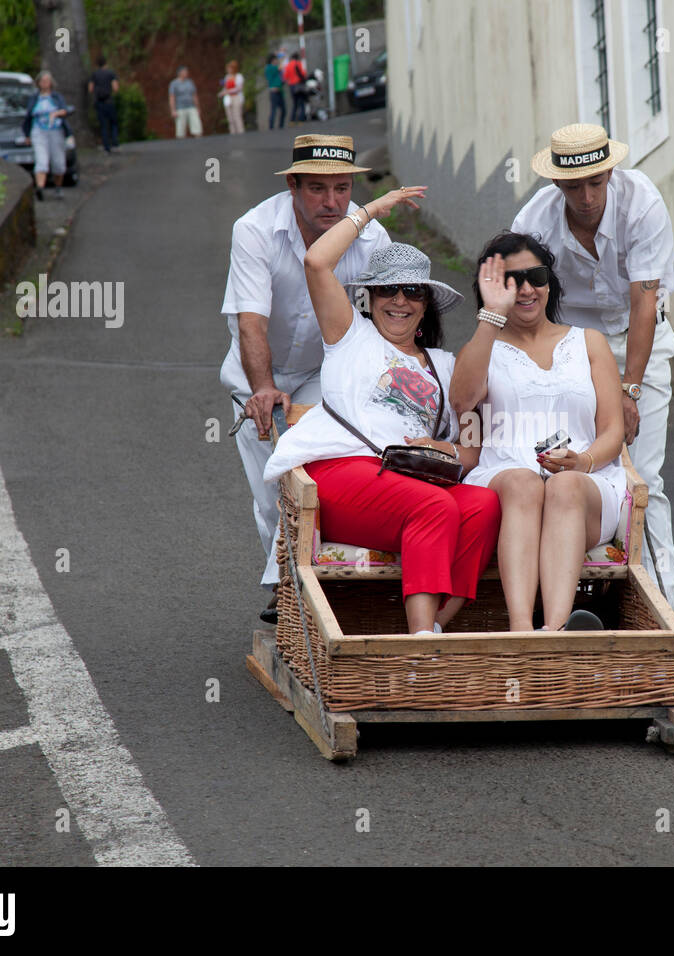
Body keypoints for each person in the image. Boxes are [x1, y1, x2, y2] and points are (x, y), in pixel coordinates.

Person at [263, 192, 502, 636]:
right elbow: (317, 263)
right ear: (368, 298)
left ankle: (435, 628)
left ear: (426, 302)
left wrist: (439, 446)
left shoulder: (445, 365)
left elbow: (469, 453)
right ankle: (420, 643)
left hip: (408, 484)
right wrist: (372, 210)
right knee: (434, 507)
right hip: (340, 474)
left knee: (483, 504)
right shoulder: (349, 336)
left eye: (412, 290)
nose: (399, 300)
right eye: (387, 289)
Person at [220, 134, 390, 621]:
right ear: (293, 185)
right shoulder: (254, 229)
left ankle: (293, 592)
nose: (333, 202)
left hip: (325, 374)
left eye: (342, 188)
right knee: (270, 490)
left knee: (316, 475)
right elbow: (250, 319)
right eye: (317, 188)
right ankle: (288, 576)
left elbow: (387, 313)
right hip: (255, 376)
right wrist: (263, 387)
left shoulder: (372, 237)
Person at [512, 123, 674, 607]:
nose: (585, 197)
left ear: (610, 171)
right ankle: (582, 597)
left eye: (595, 182)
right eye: (572, 186)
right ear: (555, 184)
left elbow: (644, 302)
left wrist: (630, 391)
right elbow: (519, 301)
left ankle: (660, 602)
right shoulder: (533, 221)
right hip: (571, 346)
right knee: (570, 471)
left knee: (642, 476)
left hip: (638, 339)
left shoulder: (642, 201)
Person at [449, 231, 625, 632]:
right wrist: (491, 316)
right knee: (526, 482)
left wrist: (583, 461)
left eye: (536, 275)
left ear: (550, 281)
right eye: (512, 281)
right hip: (505, 482)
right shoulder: (482, 348)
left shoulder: (589, 342)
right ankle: (522, 631)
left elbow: (613, 429)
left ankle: (555, 631)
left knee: (565, 486)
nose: (527, 288)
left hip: (586, 484)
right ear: (493, 288)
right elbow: (462, 403)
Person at [21, 70, 73, 201]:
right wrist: (27, 135)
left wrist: (56, 114)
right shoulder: (34, 98)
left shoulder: (56, 97)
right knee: (41, 161)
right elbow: (28, 117)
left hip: (56, 131)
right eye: (42, 81)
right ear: (38, 83)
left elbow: (66, 110)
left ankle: (58, 187)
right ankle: (40, 187)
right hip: (39, 131)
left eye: (47, 81)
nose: (45, 84)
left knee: (58, 163)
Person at [87, 56, 119, 153]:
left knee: (103, 125)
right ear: (106, 63)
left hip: (99, 102)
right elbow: (115, 88)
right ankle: (115, 143)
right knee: (113, 123)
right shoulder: (110, 73)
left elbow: (90, 89)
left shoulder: (94, 75)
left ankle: (106, 147)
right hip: (109, 101)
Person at [168, 66, 202, 138]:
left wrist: (198, 107)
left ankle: (199, 141)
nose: (186, 73)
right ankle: (181, 144)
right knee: (180, 130)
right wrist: (173, 110)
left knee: (197, 126)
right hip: (180, 108)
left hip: (191, 107)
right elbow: (172, 97)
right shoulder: (174, 83)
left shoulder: (190, 82)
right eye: (184, 71)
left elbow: (194, 95)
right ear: (179, 73)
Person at [221, 60, 245, 135]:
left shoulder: (238, 76)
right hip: (229, 98)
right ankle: (233, 132)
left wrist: (228, 91)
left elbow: (239, 88)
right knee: (230, 117)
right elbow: (225, 87)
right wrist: (223, 92)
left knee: (237, 115)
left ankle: (240, 131)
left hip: (236, 97)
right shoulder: (227, 77)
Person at [283, 53, 307, 124]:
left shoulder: (288, 65)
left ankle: (292, 120)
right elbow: (303, 73)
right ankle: (301, 119)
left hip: (292, 86)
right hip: (299, 85)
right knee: (302, 102)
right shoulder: (298, 63)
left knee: (295, 103)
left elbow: (285, 77)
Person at [264, 54, 286, 129]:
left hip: (278, 90)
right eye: (276, 59)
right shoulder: (270, 67)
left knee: (282, 109)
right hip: (274, 91)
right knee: (274, 109)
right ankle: (272, 126)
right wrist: (282, 57)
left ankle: (280, 125)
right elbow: (280, 67)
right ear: (273, 60)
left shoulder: (271, 68)